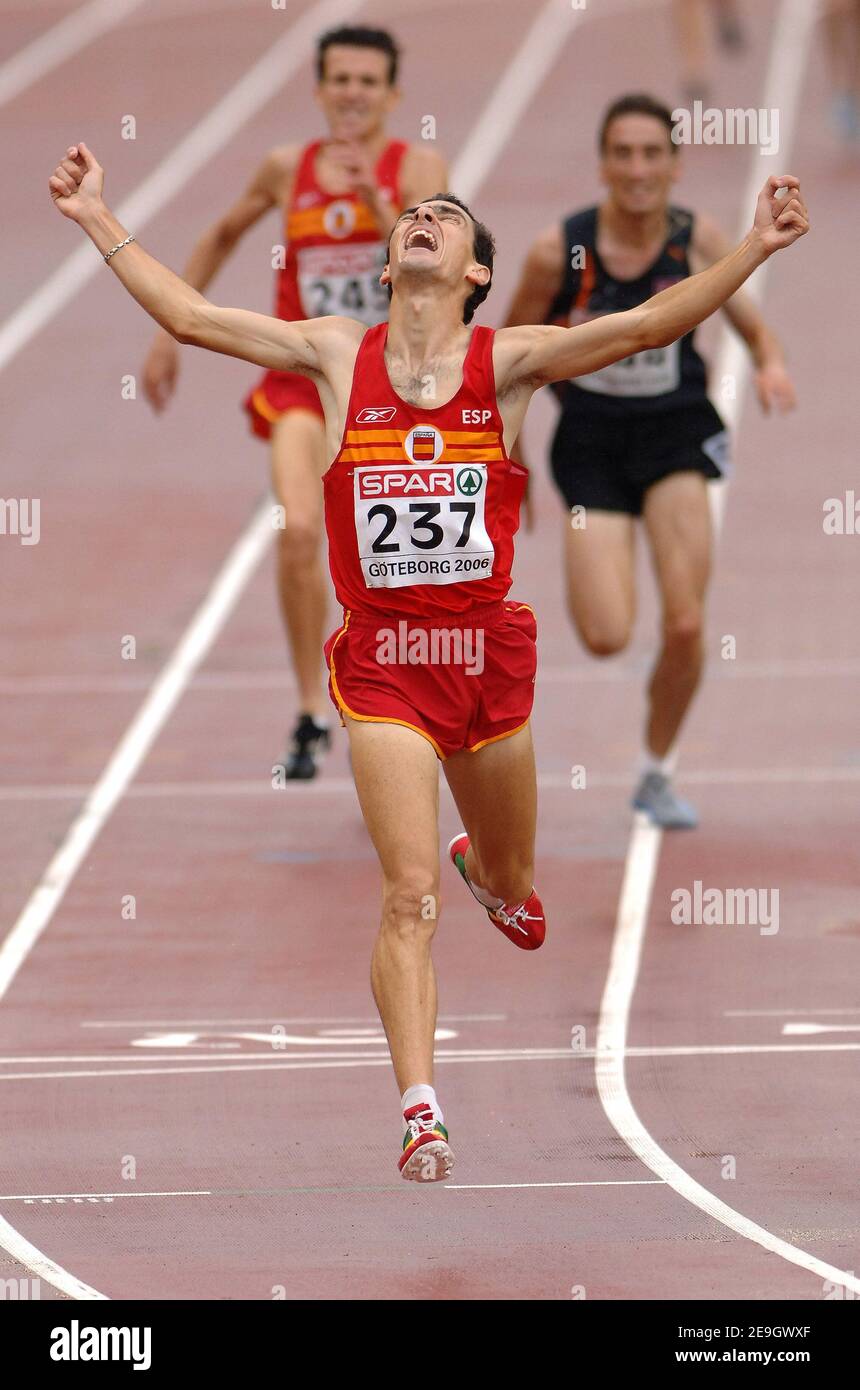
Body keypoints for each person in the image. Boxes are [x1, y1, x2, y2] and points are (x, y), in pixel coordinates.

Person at [49, 141, 808, 1180]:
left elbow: (641, 324)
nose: (422, 219)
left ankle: (491, 877)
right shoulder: (332, 350)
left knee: (512, 881)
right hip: (381, 664)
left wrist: (754, 251)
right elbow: (192, 316)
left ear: (474, 273)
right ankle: (420, 1106)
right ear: (391, 257)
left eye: (446, 218)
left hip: (483, 654)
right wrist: (98, 216)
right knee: (407, 894)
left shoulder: (508, 362)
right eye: (416, 215)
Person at [141, 26, 447, 778]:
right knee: (300, 531)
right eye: (339, 79)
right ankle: (314, 708)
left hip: (388, 383)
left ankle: (408, 692)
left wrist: (379, 200)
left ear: (392, 94)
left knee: (394, 558)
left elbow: (437, 271)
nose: (352, 93)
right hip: (301, 377)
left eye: (368, 81)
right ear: (318, 89)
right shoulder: (287, 168)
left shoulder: (420, 165)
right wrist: (165, 337)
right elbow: (219, 234)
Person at [504, 94, 798, 829]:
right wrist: (506, 466)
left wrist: (770, 365)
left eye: (652, 154)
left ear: (675, 164)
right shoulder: (557, 251)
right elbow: (503, 358)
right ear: (604, 164)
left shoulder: (696, 239)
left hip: (675, 437)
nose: (638, 169)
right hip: (591, 446)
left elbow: (755, 329)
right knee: (605, 635)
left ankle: (656, 771)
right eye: (623, 154)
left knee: (688, 623)